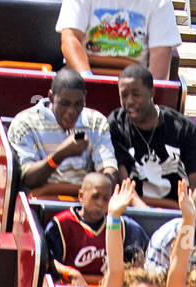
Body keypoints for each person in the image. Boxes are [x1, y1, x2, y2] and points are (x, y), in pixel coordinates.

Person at [109, 64, 196, 206]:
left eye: (136, 94)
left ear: (152, 92)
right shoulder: (116, 124)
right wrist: (144, 212)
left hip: (179, 210)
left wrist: (190, 213)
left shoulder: (183, 128)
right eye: (124, 95)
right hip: (133, 209)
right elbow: (123, 182)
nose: (129, 101)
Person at [7, 68, 118, 198]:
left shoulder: (96, 121)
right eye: (64, 104)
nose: (71, 111)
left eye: (78, 104)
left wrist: (102, 186)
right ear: (51, 97)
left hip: (87, 199)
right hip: (43, 199)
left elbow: (109, 167)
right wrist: (60, 155)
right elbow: (28, 179)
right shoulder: (25, 123)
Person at [44, 172, 149, 285]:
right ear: (81, 196)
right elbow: (50, 261)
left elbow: (143, 257)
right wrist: (71, 273)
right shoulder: (62, 223)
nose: (100, 203)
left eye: (106, 199)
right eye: (95, 197)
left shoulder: (123, 225)